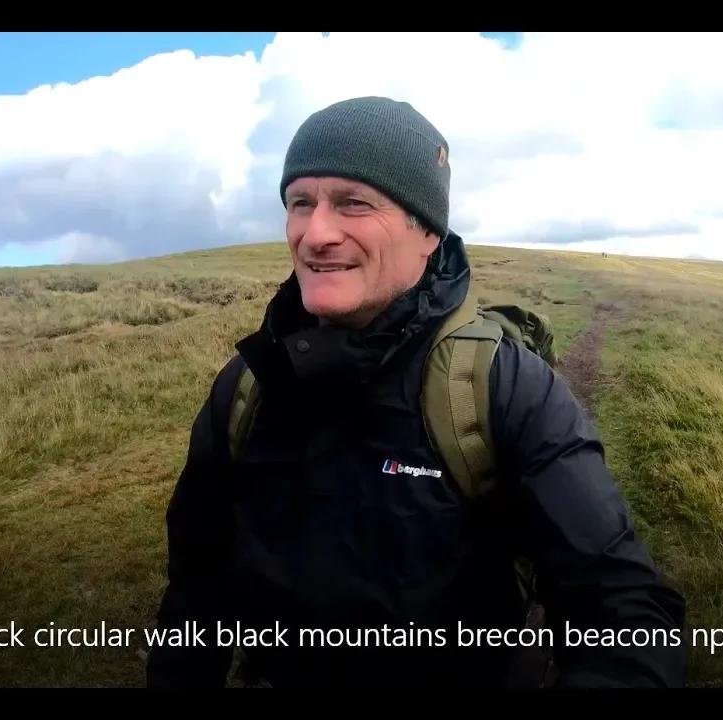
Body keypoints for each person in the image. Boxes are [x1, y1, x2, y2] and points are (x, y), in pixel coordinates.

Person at [145, 96, 687, 689]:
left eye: (353, 203)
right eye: (301, 203)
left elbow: (623, 610)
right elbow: (196, 584)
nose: (315, 233)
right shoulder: (249, 383)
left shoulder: (498, 387)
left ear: (427, 229)